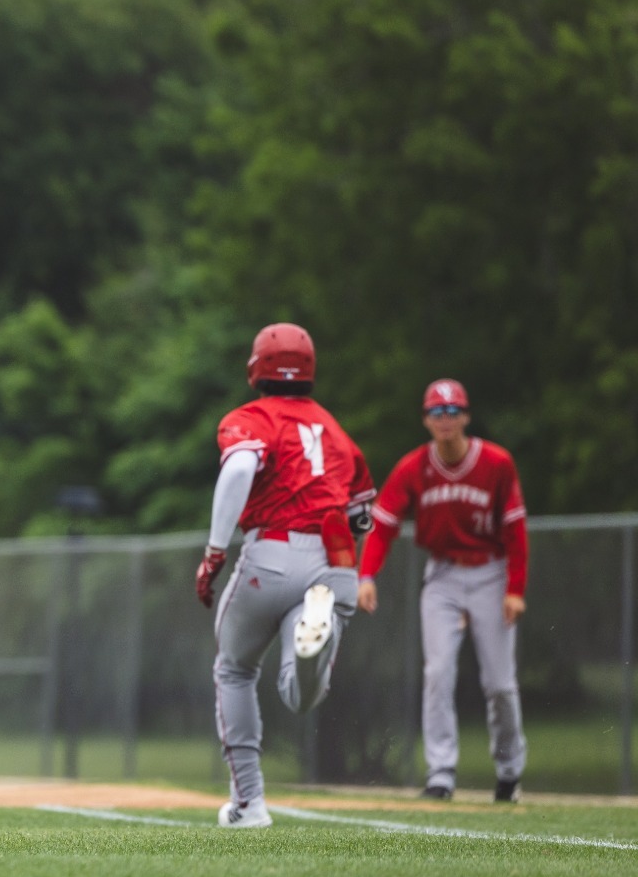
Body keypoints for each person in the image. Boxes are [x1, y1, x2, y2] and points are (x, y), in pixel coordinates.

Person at [196, 323, 376, 829]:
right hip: (332, 562)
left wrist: (214, 553)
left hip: (271, 552)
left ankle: (250, 804)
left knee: (235, 669)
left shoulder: (251, 418)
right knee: (301, 697)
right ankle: (309, 646)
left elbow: (237, 471)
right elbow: (363, 514)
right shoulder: (337, 432)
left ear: (257, 368)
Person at [357, 379, 529, 803]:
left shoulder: (496, 462)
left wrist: (515, 588)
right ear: (426, 420)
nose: (445, 419)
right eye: (437, 412)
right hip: (444, 576)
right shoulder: (414, 467)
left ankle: (509, 772)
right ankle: (441, 775)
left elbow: (515, 529)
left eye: (453, 412)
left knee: (500, 685)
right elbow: (383, 524)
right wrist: (365, 575)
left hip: (491, 573)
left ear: (466, 417)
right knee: (438, 673)